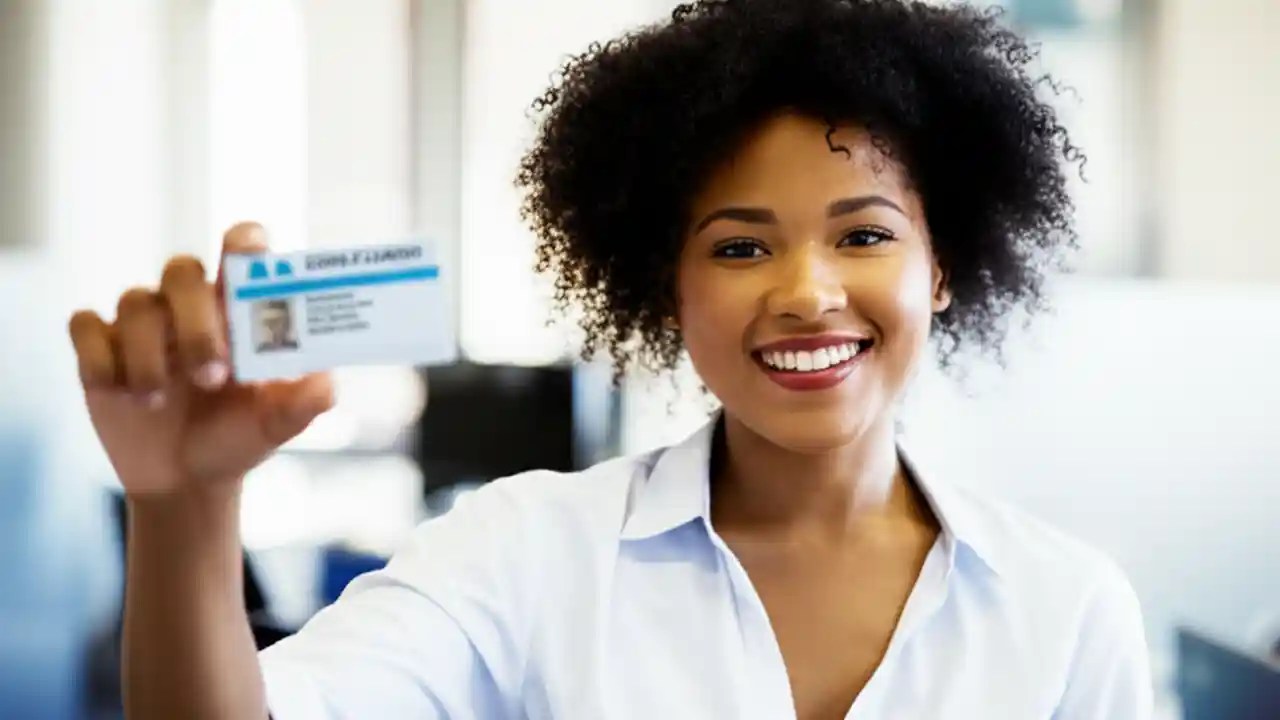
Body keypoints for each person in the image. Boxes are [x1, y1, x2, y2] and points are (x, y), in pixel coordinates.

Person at [66, 1, 1152, 717]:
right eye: (738, 245)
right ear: (664, 288)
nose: (806, 291)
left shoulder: (1064, 607)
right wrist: (186, 507)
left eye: (863, 234)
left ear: (942, 266)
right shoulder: (526, 554)